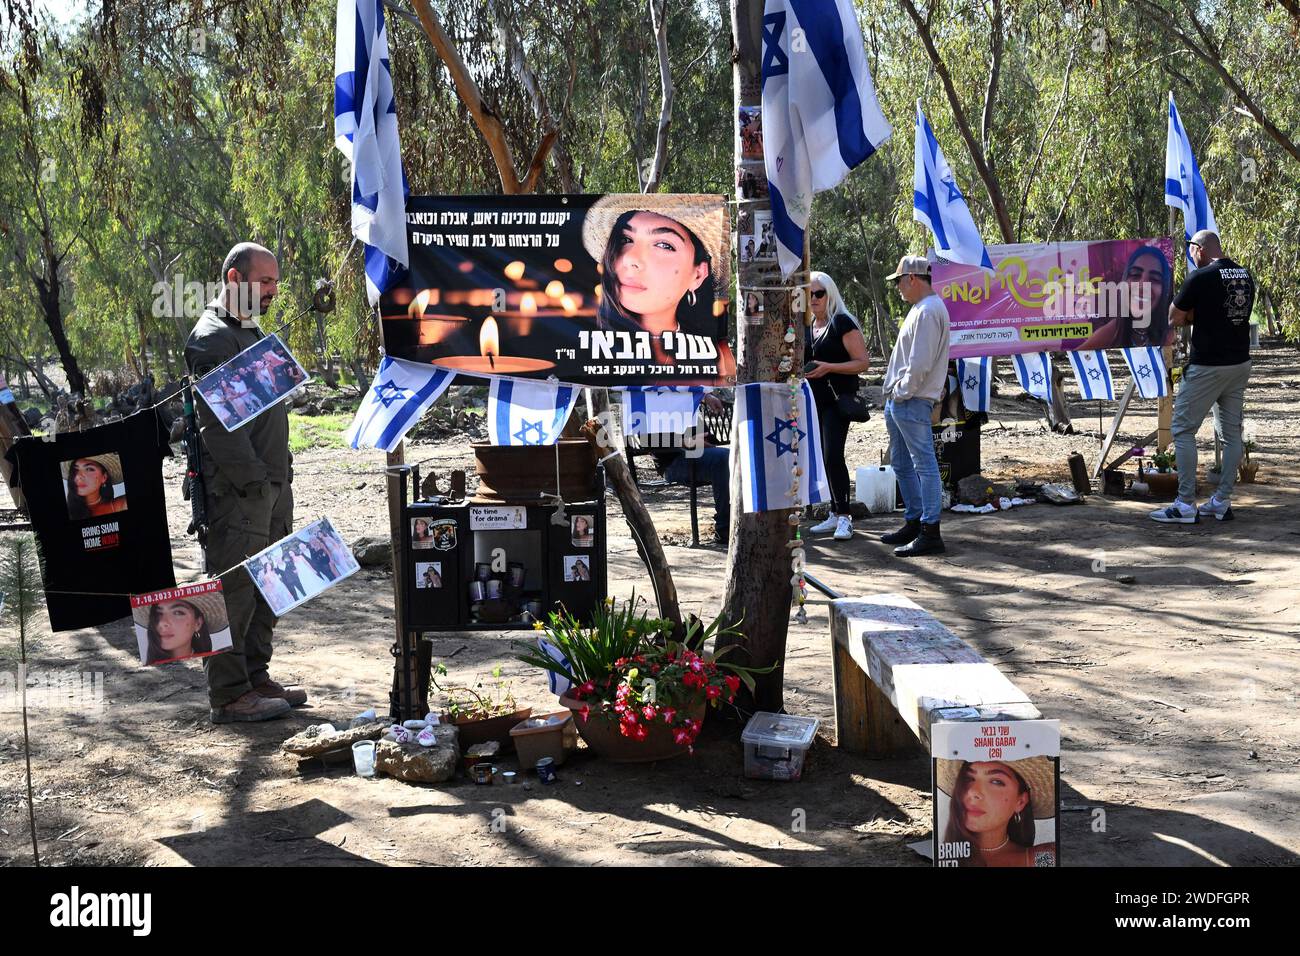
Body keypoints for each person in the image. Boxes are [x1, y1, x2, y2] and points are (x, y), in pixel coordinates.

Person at [186, 241, 306, 724]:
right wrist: (255, 481)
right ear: (234, 280)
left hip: (274, 485)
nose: (275, 290)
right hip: (239, 493)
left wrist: (278, 478)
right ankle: (230, 693)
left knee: (270, 585)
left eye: (276, 281)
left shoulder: (249, 331)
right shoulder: (211, 338)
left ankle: (256, 676)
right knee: (231, 589)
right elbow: (218, 428)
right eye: (266, 281)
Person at [1151, 230, 1256, 524]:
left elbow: (1174, 316)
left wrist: (1194, 315)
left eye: (1191, 251)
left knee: (1183, 430)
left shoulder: (1201, 277)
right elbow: (1231, 313)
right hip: (1239, 363)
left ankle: (1185, 505)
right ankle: (1221, 501)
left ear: (1199, 249)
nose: (1191, 256)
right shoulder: (1246, 276)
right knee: (1232, 434)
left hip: (1207, 365)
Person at [582, 196, 736, 379]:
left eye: (664, 245)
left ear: (698, 275)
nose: (631, 259)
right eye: (625, 239)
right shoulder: (578, 340)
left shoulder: (713, 359)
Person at [879, 255, 950, 557]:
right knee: (903, 463)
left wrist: (902, 392)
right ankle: (915, 520)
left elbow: (919, 364)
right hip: (905, 399)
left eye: (898, 282)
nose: (897, 288)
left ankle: (929, 529)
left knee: (923, 464)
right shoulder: (922, 309)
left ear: (912, 278)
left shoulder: (928, 311)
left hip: (912, 400)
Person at [804, 271, 871, 540]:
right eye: (808, 294)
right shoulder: (808, 327)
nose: (813, 299)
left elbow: (862, 362)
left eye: (819, 293)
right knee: (822, 457)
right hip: (813, 402)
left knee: (833, 455)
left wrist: (829, 367)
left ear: (829, 294)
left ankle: (845, 516)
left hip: (837, 401)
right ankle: (834, 511)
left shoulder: (842, 323)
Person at [938, 757, 1057, 867]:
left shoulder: (1039, 857)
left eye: (996, 782)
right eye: (969, 778)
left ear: (1020, 802)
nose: (973, 792)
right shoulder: (940, 857)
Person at [1079, 245, 1174, 349]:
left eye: (1154, 279)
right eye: (1135, 275)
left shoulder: (1170, 333)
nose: (1142, 285)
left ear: (1164, 289)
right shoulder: (1114, 330)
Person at [141, 594, 226, 665]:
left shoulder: (217, 665)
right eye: (158, 613)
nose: (162, 622)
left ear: (198, 623)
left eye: (178, 613)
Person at [64, 454, 128, 519]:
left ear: (104, 477)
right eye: (75, 470)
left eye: (89, 469)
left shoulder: (122, 505)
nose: (78, 476)